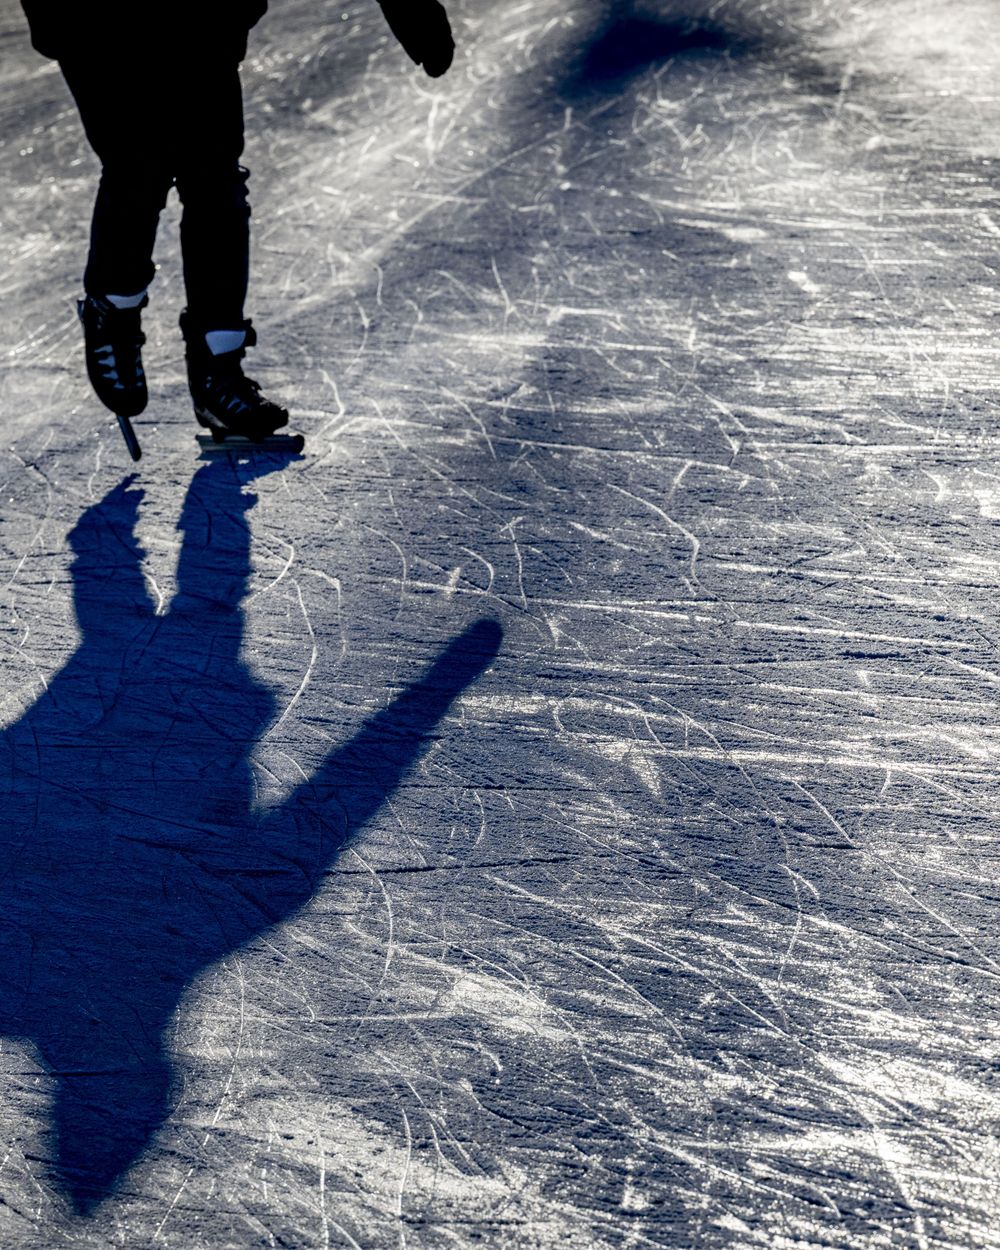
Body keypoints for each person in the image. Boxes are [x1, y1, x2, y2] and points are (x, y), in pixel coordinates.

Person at [19, 0, 455, 443]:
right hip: (95, 24)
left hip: (202, 21)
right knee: (139, 165)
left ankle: (218, 371)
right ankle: (114, 309)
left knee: (214, 180)